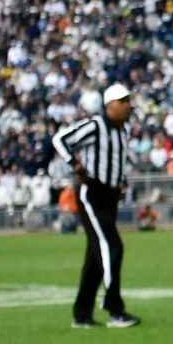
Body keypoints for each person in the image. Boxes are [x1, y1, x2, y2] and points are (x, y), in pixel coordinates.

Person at [51, 84, 140, 329]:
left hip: (109, 194)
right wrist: (75, 165)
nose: (126, 105)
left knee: (95, 255)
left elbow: (116, 160)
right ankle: (115, 309)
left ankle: (82, 314)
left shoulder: (123, 130)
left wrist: (121, 182)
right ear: (109, 105)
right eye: (121, 101)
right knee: (112, 246)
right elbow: (60, 139)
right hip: (92, 192)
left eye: (128, 101)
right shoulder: (95, 126)